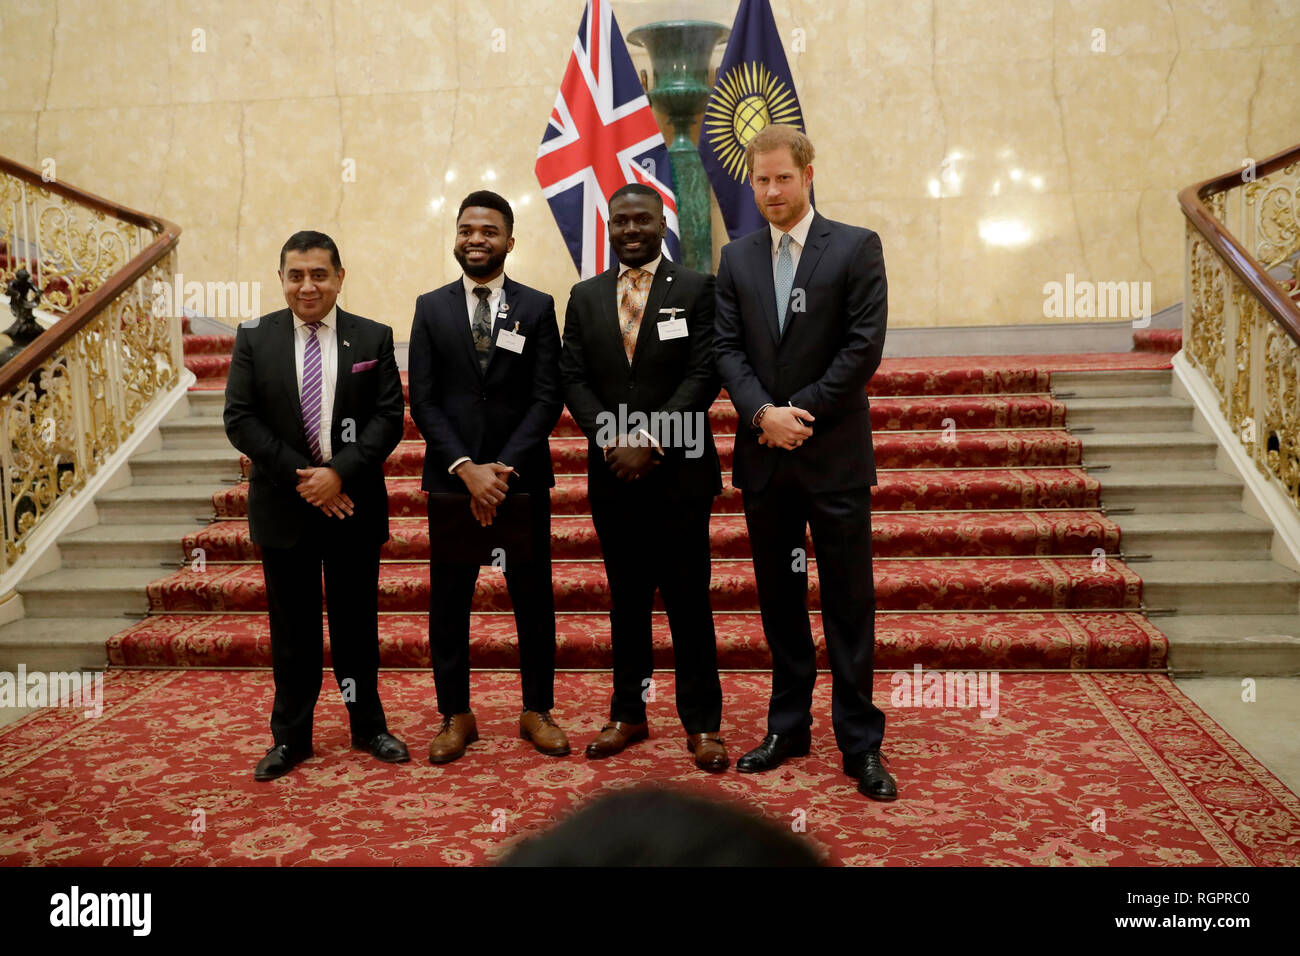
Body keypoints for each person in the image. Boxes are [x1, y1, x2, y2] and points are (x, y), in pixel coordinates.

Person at [713, 125, 896, 800]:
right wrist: (763, 415)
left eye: (783, 178)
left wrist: (799, 414)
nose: (771, 191)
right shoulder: (734, 261)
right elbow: (727, 350)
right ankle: (787, 727)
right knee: (780, 604)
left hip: (835, 459)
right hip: (766, 460)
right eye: (760, 180)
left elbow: (862, 348)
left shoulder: (854, 247)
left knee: (850, 603)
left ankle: (861, 743)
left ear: (808, 174)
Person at [224, 230, 410, 781]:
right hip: (285, 504)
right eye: (296, 275)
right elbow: (240, 418)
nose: (308, 286)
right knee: (293, 629)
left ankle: (369, 727)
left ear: (339, 277)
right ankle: (292, 738)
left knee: (357, 624)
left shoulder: (372, 337)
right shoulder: (254, 338)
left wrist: (339, 474)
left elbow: (388, 418)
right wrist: (305, 478)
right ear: (281, 278)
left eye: (319, 274)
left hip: (351, 502)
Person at [559, 183, 727, 772]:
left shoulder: (699, 290)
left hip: (678, 472)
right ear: (610, 225)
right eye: (621, 220)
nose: (631, 230)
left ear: (663, 224)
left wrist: (650, 439)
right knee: (625, 600)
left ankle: (704, 724)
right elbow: (572, 378)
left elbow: (705, 371)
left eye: (643, 220)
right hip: (614, 475)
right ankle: (627, 713)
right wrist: (613, 440)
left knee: (688, 601)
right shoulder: (584, 296)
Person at [408, 190, 569, 764]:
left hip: (519, 479)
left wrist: (501, 471)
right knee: (449, 603)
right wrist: (466, 469)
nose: (476, 239)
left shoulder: (538, 305)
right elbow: (423, 401)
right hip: (452, 482)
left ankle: (537, 710)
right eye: (467, 229)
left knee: (533, 599)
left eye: (489, 230)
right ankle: (456, 714)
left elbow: (547, 396)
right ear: (456, 236)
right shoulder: (430, 307)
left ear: (509, 240)